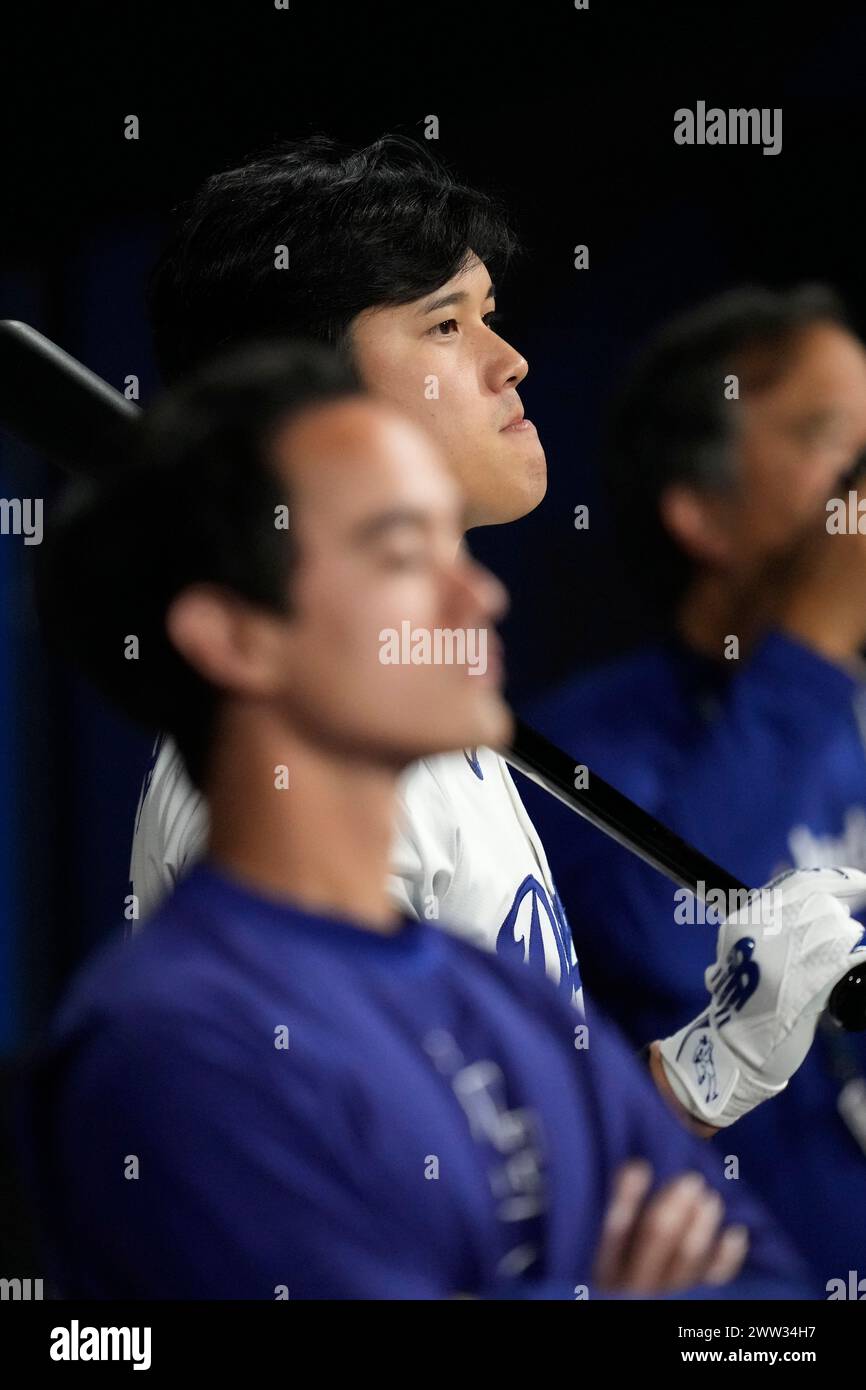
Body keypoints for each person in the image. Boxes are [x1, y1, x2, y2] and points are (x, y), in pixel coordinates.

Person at [22, 342, 819, 1299]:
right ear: (236, 635)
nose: (480, 594)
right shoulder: (176, 1041)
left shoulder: (494, 994)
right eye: (404, 555)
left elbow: (769, 1311)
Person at [127, 140, 865, 1139]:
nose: (507, 358)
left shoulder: (426, 725)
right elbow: (393, 1209)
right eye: (443, 324)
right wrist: (704, 1074)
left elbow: (508, 1169)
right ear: (302, 405)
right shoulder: (289, 765)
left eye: (487, 313)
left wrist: (691, 1080)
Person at [523, 285, 866, 1287]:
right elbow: (681, 946)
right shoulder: (574, 746)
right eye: (831, 445)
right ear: (702, 513)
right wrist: (811, 634)